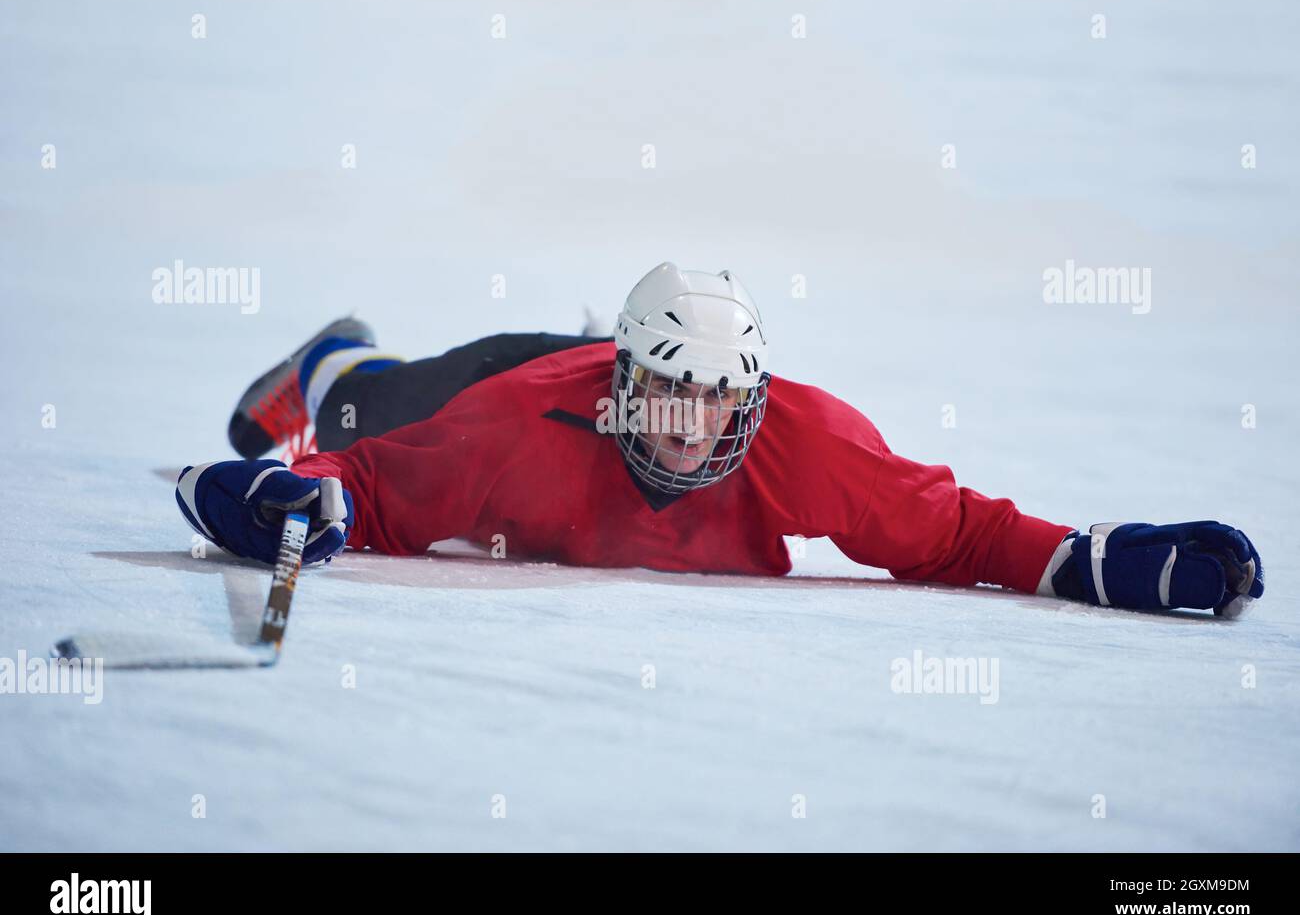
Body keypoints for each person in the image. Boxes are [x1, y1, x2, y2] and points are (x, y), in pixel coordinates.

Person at [176, 262, 1264, 616]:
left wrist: (1082, 560)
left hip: (584, 365)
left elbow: (954, 534)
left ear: (748, 396)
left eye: (716, 398)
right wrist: (303, 498)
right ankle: (332, 354)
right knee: (372, 400)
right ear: (625, 381)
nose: (690, 427)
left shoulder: (809, 440)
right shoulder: (522, 422)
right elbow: (365, 481)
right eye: (668, 392)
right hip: (511, 370)